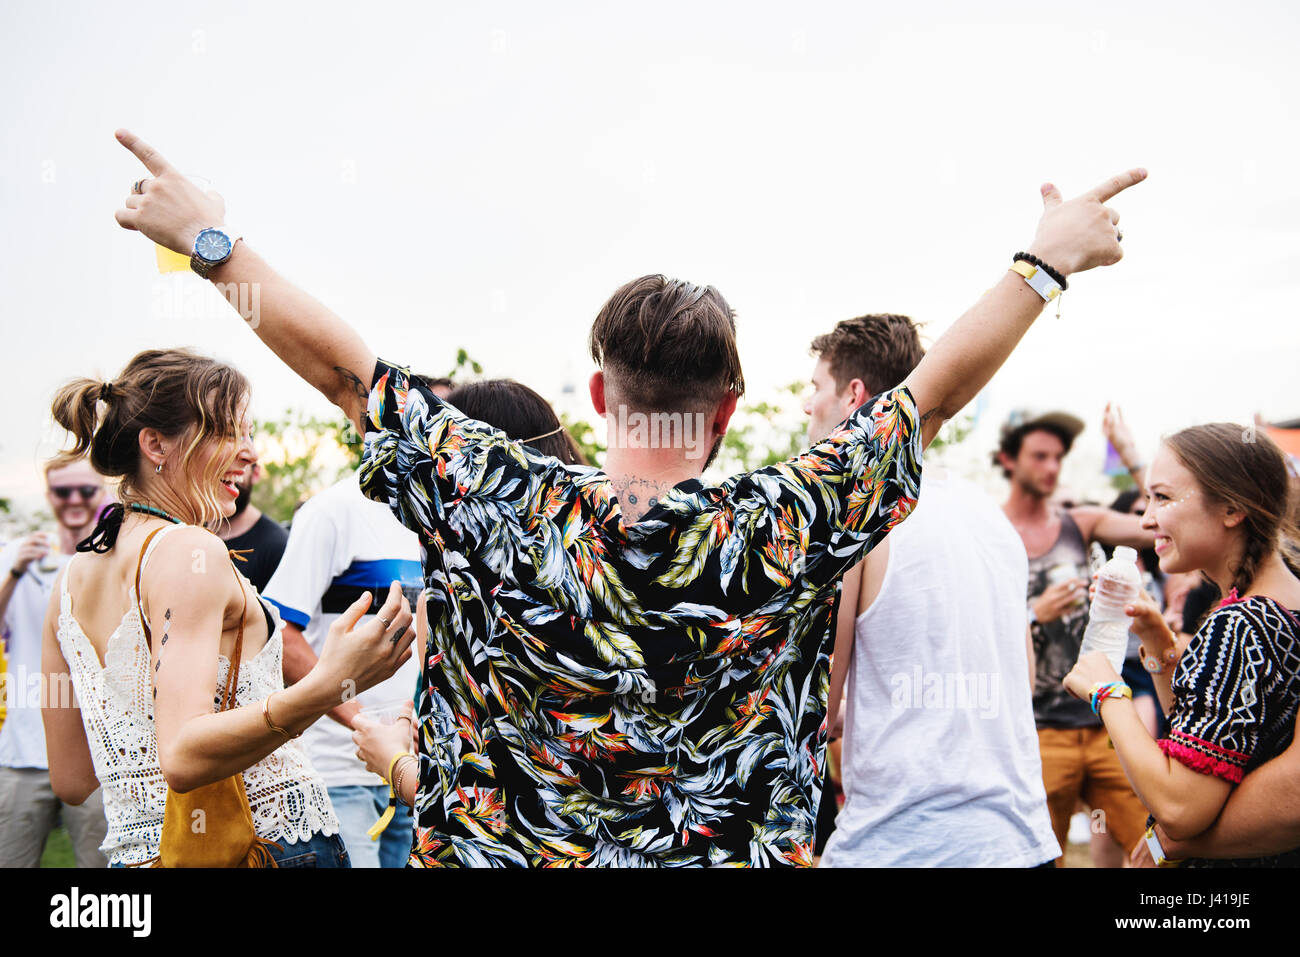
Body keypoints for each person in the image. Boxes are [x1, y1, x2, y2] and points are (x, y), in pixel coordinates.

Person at [113, 128, 1143, 866]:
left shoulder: (493, 495)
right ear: (730, 408)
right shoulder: (785, 522)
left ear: (600, 395)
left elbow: (344, 374)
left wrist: (211, 244)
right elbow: (931, 394)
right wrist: (1048, 259)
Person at [41, 348, 416, 867]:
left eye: (249, 433)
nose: (249, 453)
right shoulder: (188, 550)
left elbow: (73, 780)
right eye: (227, 433)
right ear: (156, 445)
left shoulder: (68, 583)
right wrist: (330, 683)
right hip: (263, 847)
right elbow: (183, 754)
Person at [804, 314, 1058, 867]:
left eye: (815, 388)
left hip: (905, 845)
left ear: (854, 396)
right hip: (1019, 842)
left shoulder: (858, 519)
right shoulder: (989, 515)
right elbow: (1025, 674)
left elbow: (814, 710)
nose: (806, 405)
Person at [1065, 424, 1300, 867]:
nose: (1146, 519)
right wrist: (1158, 643)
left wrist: (1107, 693)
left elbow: (1180, 808)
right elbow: (1211, 736)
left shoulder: (1241, 624)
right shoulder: (1281, 601)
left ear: (1232, 509)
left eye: (1163, 497)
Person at [997, 406, 1154, 865]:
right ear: (1008, 460)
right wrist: (1032, 614)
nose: (1051, 468)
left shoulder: (1080, 523)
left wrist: (1130, 455)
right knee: (1040, 858)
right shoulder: (988, 532)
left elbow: (1158, 520)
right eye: (1039, 456)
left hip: (1103, 721)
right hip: (1038, 733)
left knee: (1163, 843)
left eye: (1058, 458)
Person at [262, 469, 426, 868]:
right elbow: (280, 635)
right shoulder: (333, 510)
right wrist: (362, 723)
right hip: (340, 773)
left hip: (414, 772)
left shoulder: (436, 514)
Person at [0, 461, 111, 867]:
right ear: (50, 497)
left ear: (100, 492)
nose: (75, 500)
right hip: (22, 754)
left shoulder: (111, 555)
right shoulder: (19, 554)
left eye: (85, 490)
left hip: (97, 750)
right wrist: (14, 572)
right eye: (64, 493)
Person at [215, 461, 288, 593]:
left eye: (237, 461)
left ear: (255, 473)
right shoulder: (192, 530)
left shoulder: (278, 545)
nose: (226, 470)